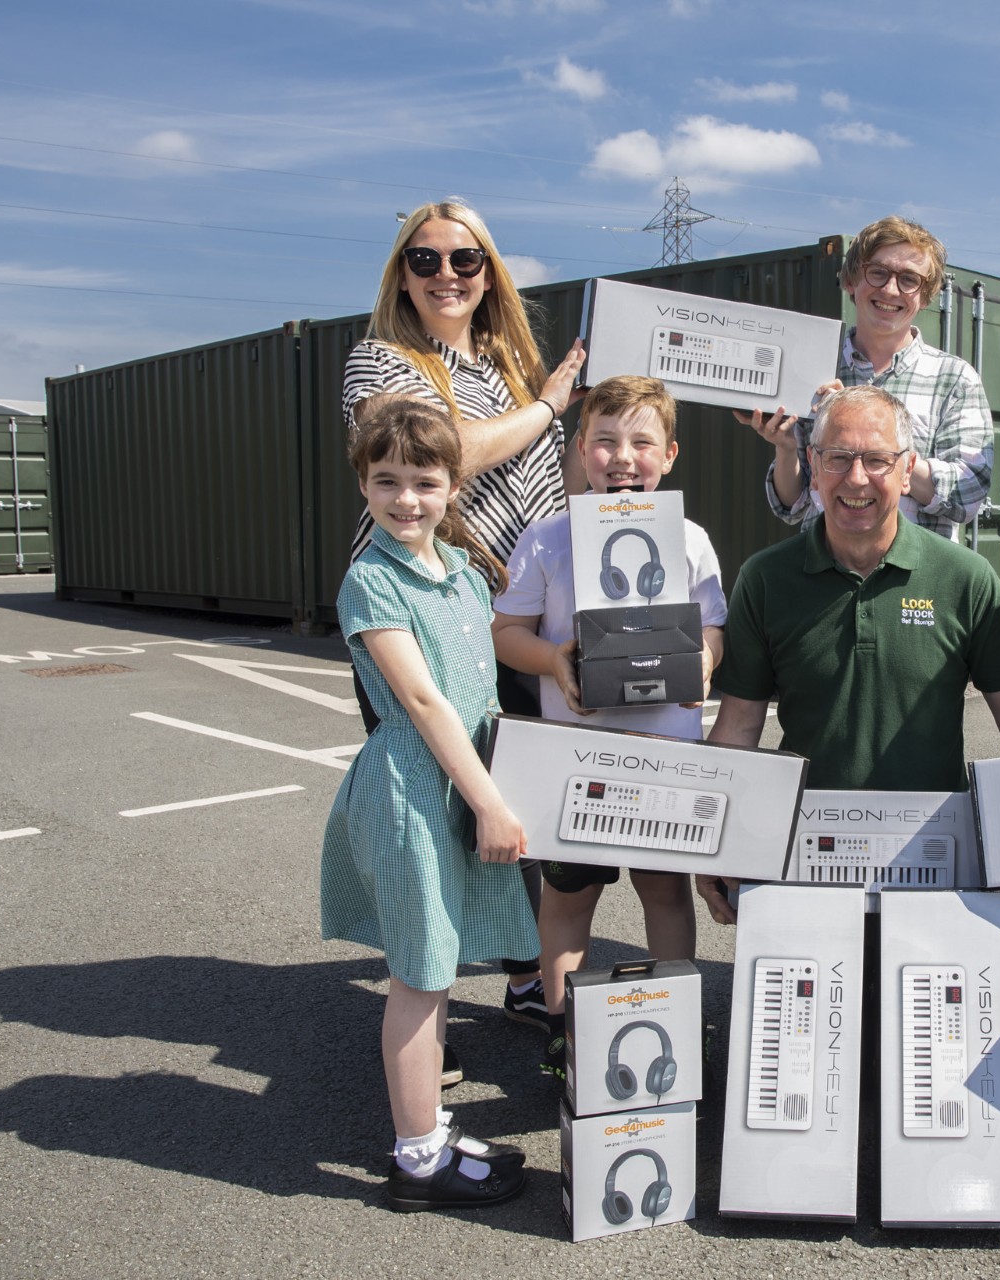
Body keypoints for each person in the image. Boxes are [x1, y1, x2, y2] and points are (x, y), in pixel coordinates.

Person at [343, 199, 587, 1033]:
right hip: (425, 604)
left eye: (464, 259)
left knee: (512, 787)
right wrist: (550, 408)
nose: (446, 275)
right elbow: (444, 452)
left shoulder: (510, 365)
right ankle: (423, 995)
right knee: (433, 799)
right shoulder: (379, 360)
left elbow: (550, 486)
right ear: (400, 273)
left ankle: (522, 973)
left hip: (511, 608)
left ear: (490, 271)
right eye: (424, 259)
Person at [698, 384, 1000, 924]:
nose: (856, 478)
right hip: (808, 855)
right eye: (837, 457)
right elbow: (739, 726)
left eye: (878, 460)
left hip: (937, 859)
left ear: (907, 471)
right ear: (812, 465)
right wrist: (716, 846)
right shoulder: (766, 578)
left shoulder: (965, 578)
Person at [319, 394, 539, 1212]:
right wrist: (489, 802)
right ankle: (416, 1159)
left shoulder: (461, 570)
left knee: (439, 968)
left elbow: (483, 686)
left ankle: (433, 1130)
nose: (406, 499)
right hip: (416, 789)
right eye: (386, 482)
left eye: (424, 480)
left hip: (462, 774)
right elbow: (422, 700)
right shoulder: (372, 579)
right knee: (419, 973)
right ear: (364, 487)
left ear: (453, 483)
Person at [489, 375, 727, 1082]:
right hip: (576, 758)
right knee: (568, 898)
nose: (623, 457)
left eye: (641, 442)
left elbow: (712, 627)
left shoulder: (689, 540)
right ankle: (563, 1024)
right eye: (606, 442)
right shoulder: (548, 537)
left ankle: (672, 1016)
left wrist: (704, 668)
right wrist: (555, 664)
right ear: (580, 449)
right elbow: (506, 631)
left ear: (671, 454)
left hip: (661, 755)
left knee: (664, 891)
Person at [740, 215, 993, 544]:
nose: (890, 289)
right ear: (850, 281)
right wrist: (786, 447)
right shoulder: (815, 369)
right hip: (824, 575)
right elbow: (793, 505)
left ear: (925, 296)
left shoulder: (954, 379)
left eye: (909, 279)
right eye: (877, 272)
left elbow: (968, 494)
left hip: (915, 584)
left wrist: (881, 448)